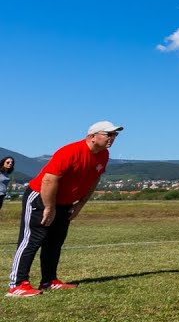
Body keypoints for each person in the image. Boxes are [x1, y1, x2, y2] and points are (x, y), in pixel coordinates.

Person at [7, 121, 122, 297]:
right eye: (109, 134)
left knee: (55, 242)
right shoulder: (70, 151)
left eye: (115, 135)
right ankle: (17, 284)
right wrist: (49, 207)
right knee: (32, 239)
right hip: (40, 197)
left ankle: (49, 281)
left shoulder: (103, 155)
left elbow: (94, 180)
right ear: (92, 137)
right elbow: (49, 180)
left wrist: (79, 205)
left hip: (65, 203)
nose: (113, 139)